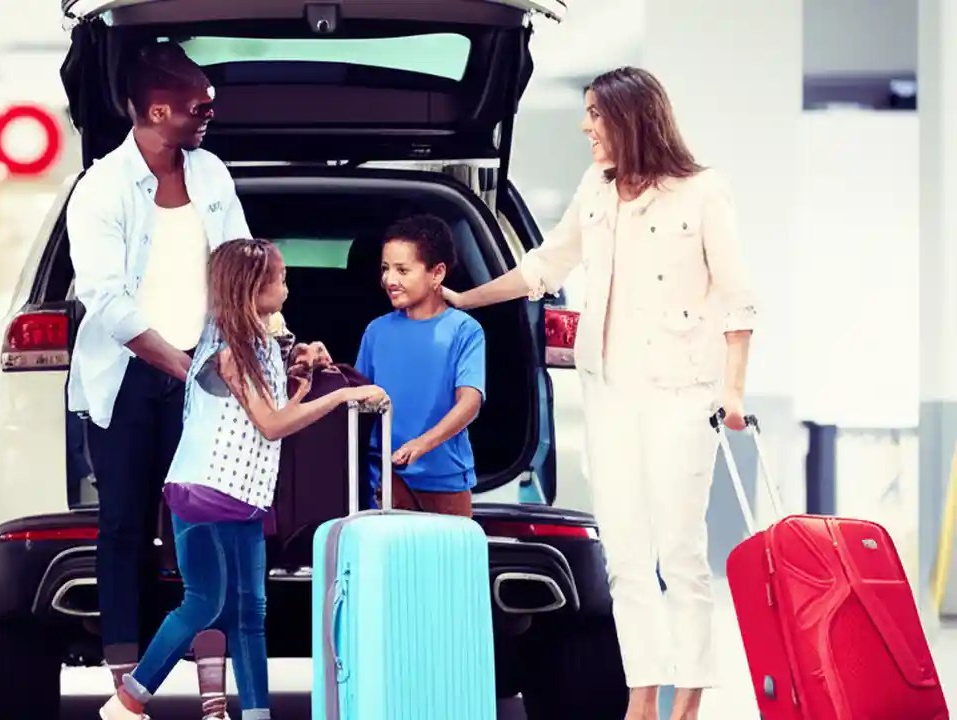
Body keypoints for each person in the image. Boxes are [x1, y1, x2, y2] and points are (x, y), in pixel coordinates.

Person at [444, 67, 757, 720]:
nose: (585, 126)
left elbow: (737, 298)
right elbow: (544, 266)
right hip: (610, 393)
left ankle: (688, 702)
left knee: (680, 553)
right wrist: (468, 298)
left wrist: (733, 389)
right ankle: (642, 697)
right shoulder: (596, 190)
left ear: (631, 117)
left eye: (594, 114)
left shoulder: (703, 193)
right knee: (626, 559)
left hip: (682, 392)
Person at [66, 41, 330, 718]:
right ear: (157, 110)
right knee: (125, 527)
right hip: (131, 376)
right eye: (198, 107)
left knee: (205, 524)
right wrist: (189, 371)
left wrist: (277, 345)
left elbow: (243, 272)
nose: (210, 116)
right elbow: (107, 302)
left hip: (207, 370)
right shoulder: (101, 189)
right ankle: (124, 688)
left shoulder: (210, 173)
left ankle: (215, 694)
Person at [101, 239, 388, 720]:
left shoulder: (261, 343)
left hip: (244, 496)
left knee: (251, 611)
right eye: (281, 279)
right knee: (203, 602)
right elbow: (271, 424)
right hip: (203, 493)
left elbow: (272, 408)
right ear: (254, 288)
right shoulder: (229, 349)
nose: (288, 287)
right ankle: (128, 702)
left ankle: (256, 713)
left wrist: (303, 371)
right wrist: (341, 398)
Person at [354, 215, 486, 518]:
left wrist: (423, 445)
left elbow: (469, 403)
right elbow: (358, 398)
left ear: (437, 273)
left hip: (445, 482)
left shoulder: (464, 331)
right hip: (384, 479)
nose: (389, 280)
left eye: (402, 270)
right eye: (385, 268)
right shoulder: (376, 331)